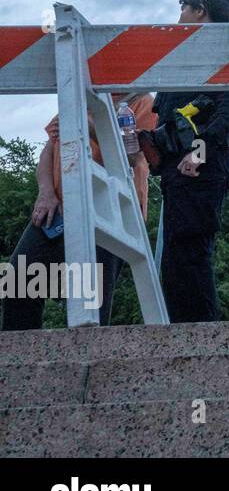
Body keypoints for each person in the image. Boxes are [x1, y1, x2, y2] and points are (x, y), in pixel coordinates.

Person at [1, 92, 157, 330]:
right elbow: (49, 150)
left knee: (91, 304)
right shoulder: (76, 94)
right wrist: (45, 192)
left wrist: (90, 124)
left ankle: (89, 362)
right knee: (18, 283)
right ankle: (20, 362)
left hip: (110, 214)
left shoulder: (141, 102)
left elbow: (134, 156)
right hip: (58, 209)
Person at [146, 0, 229, 323]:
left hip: (203, 163)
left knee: (188, 253)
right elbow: (166, 113)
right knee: (177, 254)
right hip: (182, 165)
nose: (179, 18)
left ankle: (201, 336)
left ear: (200, 10)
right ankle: (185, 332)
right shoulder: (184, 56)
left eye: (183, 9)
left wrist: (199, 152)